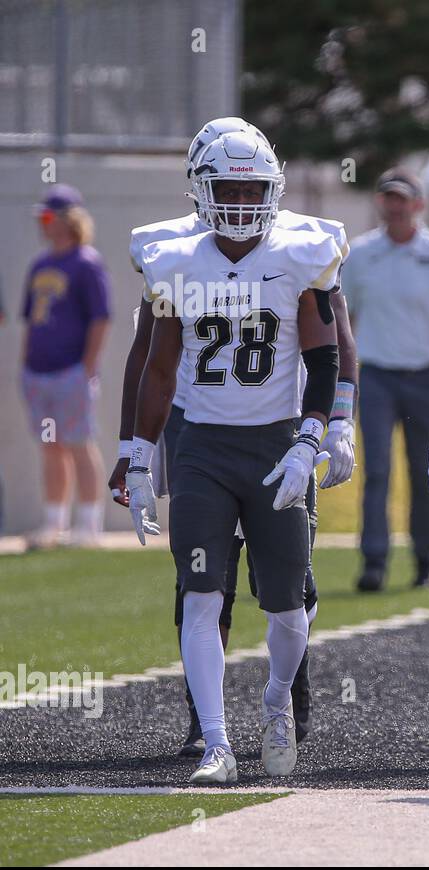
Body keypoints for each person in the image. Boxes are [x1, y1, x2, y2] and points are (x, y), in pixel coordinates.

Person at [109, 115, 357, 756]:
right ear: (199, 186)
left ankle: (284, 702)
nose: (242, 203)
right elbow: (152, 363)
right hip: (200, 438)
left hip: (280, 436)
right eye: (228, 188)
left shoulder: (304, 249)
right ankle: (212, 734)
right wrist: (135, 456)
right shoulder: (171, 257)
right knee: (199, 586)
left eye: (253, 190)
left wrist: (327, 432)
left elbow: (332, 354)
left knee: (288, 595)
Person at [344, 169, 429, 592]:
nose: (395, 207)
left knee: (425, 471)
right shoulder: (361, 253)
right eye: (388, 198)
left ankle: (424, 558)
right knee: (376, 472)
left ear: (418, 205)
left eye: (402, 199)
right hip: (375, 377)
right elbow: (345, 320)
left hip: (426, 377)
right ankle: (374, 563)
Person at [20, 185, 112, 549]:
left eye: (47, 217)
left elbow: (100, 318)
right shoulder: (41, 265)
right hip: (37, 374)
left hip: (70, 371)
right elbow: (31, 320)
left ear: (66, 220)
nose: (42, 224)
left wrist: (87, 367)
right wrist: (25, 366)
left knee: (79, 443)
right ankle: (53, 523)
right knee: (50, 445)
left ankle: (89, 526)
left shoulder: (86, 263)